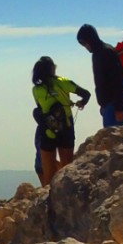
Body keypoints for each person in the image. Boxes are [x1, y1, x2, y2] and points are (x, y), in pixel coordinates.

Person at [32, 56, 90, 184]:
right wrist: (81, 103)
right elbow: (86, 94)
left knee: (48, 177)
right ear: (52, 69)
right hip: (66, 128)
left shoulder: (36, 90)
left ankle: (49, 196)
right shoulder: (63, 82)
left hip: (47, 131)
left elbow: (40, 109)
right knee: (67, 171)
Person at [78, 24, 123, 129]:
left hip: (114, 104)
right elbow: (101, 82)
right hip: (107, 105)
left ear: (90, 39)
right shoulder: (97, 54)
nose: (85, 47)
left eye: (84, 43)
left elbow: (118, 81)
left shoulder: (106, 52)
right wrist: (102, 104)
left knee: (113, 137)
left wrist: (119, 108)